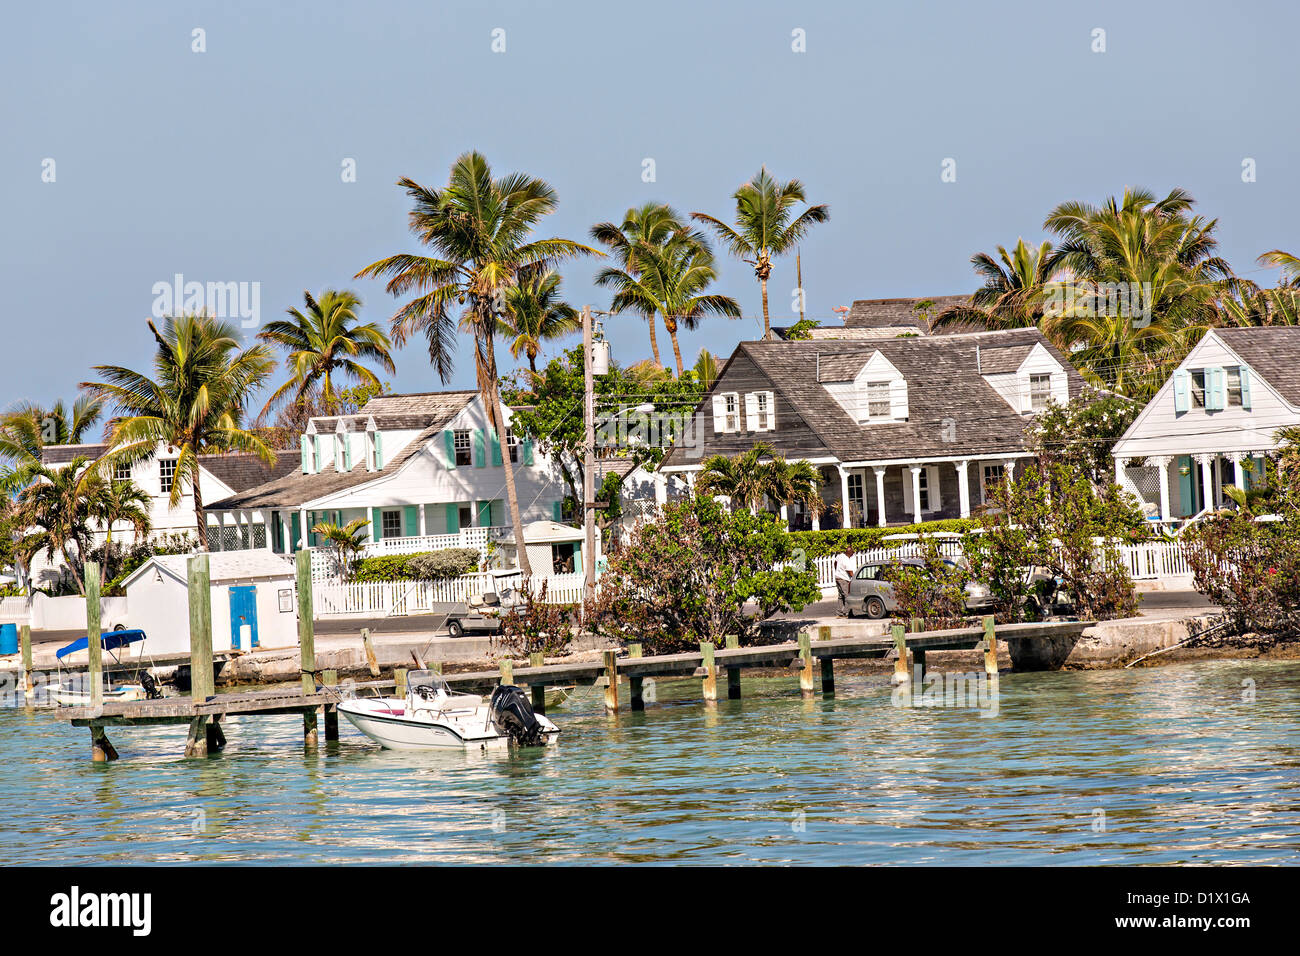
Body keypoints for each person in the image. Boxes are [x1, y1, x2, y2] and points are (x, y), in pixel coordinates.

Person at [833, 546, 856, 616]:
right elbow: (850, 572)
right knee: (847, 596)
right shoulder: (846, 560)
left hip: (837, 577)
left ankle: (839, 612)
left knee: (840, 596)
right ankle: (847, 612)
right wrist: (855, 578)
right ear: (850, 553)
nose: (853, 554)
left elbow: (835, 562)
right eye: (852, 552)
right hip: (843, 579)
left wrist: (837, 570)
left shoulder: (840, 556)